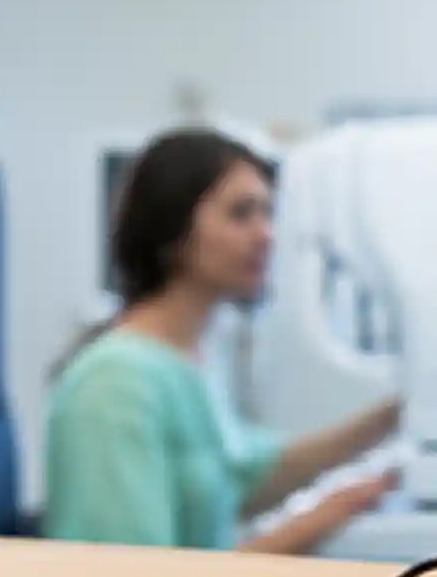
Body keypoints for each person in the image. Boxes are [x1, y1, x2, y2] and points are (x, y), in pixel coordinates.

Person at [45, 129, 401, 554]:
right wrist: (327, 515)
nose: (266, 235)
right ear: (173, 231)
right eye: (241, 213)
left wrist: (389, 419)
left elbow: (247, 477)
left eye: (267, 214)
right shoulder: (116, 385)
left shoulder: (188, 361)